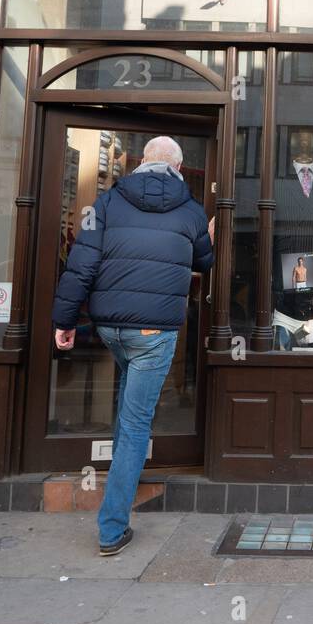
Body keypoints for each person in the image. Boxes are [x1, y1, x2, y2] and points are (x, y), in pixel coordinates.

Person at [52, 136, 214, 556]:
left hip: (111, 328)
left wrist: (64, 321)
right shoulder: (192, 210)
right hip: (153, 332)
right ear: (177, 168)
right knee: (136, 426)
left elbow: (81, 263)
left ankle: (119, 490)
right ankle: (111, 528)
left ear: (142, 163)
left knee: (129, 408)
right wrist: (207, 234)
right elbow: (204, 261)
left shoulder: (107, 203)